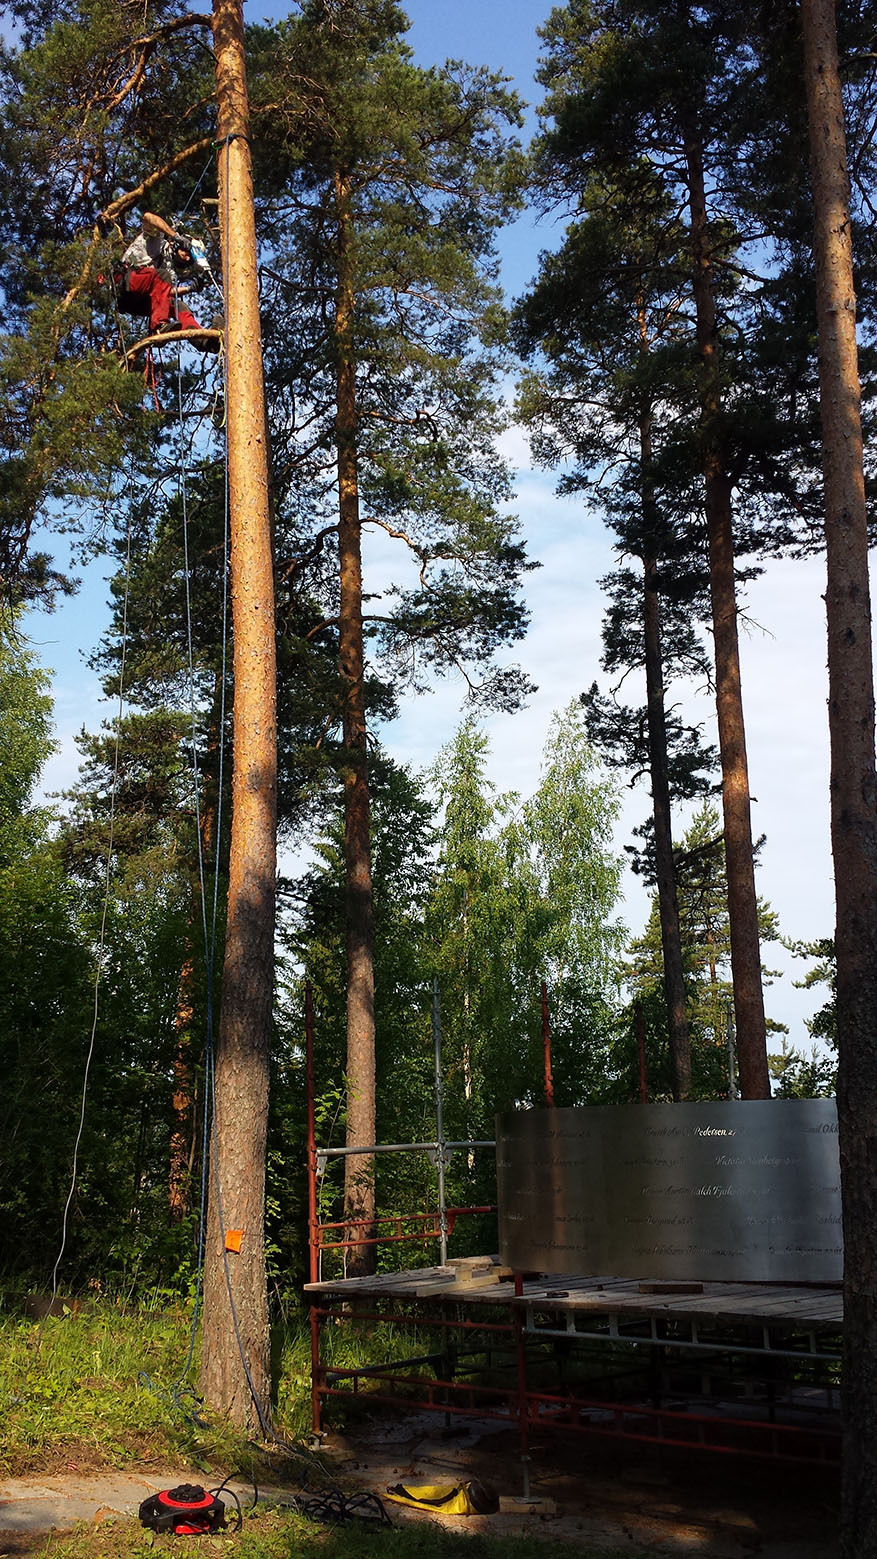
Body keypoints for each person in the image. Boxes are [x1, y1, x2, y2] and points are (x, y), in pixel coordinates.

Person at [118, 212, 217, 349]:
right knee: (162, 276)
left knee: (178, 305)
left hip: (137, 302)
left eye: (190, 259)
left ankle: (204, 341)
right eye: (188, 252)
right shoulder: (156, 238)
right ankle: (159, 327)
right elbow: (148, 217)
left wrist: (189, 288)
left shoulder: (169, 270)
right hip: (125, 282)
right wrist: (175, 236)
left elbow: (165, 293)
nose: (187, 258)